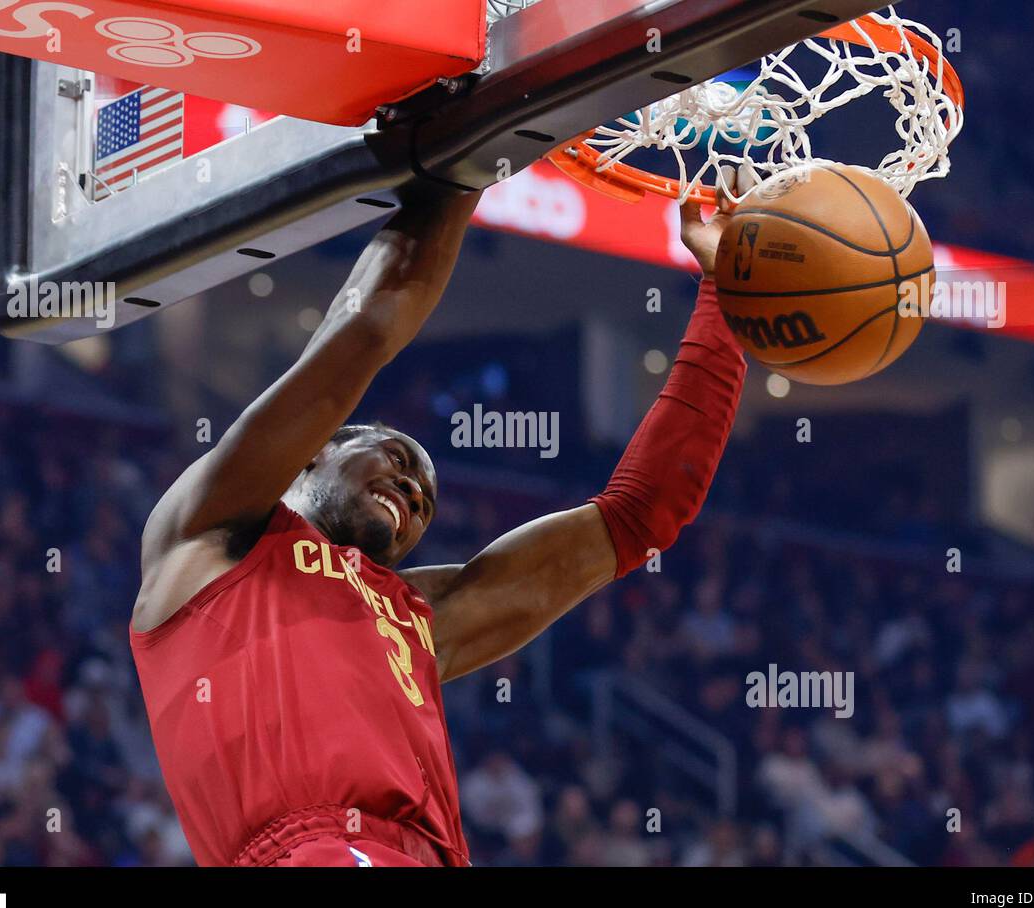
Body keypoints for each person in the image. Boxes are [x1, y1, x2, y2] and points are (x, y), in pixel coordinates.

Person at [129, 177, 748, 866]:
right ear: (315, 454)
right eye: (393, 457)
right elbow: (363, 330)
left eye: (423, 501)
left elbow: (640, 514)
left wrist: (723, 296)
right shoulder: (210, 530)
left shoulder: (418, 615)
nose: (411, 490)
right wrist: (461, 169)